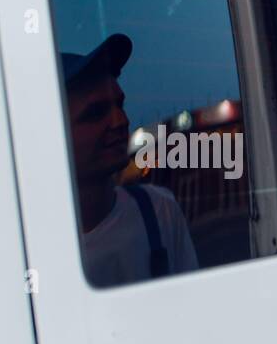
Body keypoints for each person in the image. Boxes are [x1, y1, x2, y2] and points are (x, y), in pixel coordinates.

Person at [61, 33, 198, 287]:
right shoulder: (26, 246)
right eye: (95, 113)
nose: (120, 121)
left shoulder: (159, 212)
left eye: (120, 105)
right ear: (55, 134)